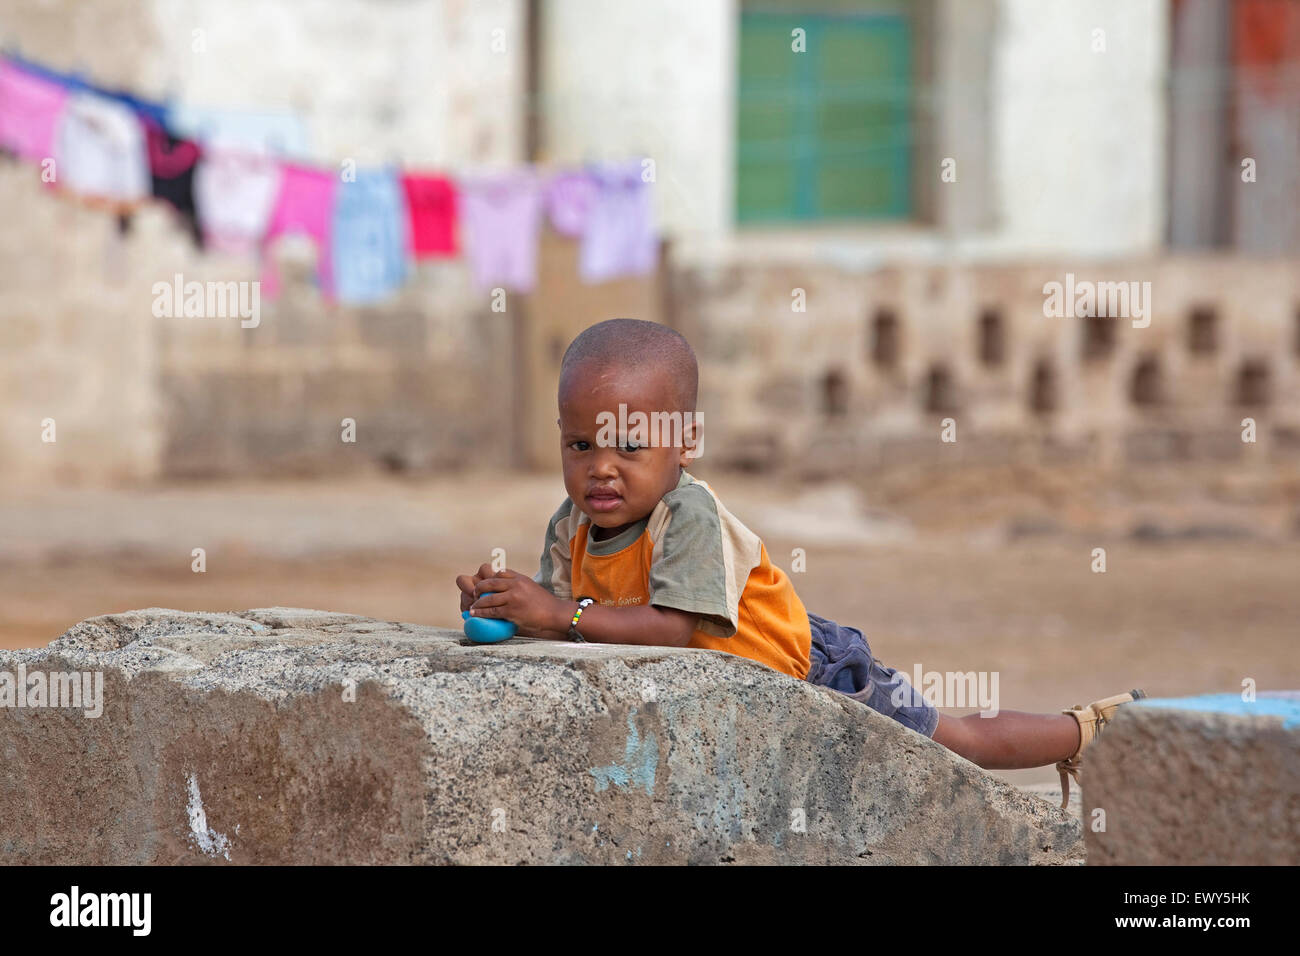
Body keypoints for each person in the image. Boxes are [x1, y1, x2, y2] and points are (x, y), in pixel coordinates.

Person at [456, 318, 1144, 808]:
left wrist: (556, 612)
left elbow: (670, 628)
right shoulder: (571, 524)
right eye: (580, 446)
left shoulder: (686, 516)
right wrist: (501, 608)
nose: (600, 469)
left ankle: (1088, 731)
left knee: (955, 743)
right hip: (734, 698)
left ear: (686, 442)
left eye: (628, 447)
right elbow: (561, 628)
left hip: (814, 672)